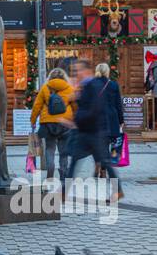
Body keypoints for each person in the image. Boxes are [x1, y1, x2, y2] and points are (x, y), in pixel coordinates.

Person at [62, 59, 122, 202]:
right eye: (74, 71)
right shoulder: (84, 86)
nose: (76, 73)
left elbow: (94, 109)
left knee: (105, 162)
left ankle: (118, 190)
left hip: (96, 132)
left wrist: (74, 120)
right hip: (86, 132)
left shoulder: (93, 86)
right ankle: (64, 192)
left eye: (78, 71)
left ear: (87, 71)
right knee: (75, 160)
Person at [30, 68, 74, 183]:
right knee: (63, 151)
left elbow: (37, 106)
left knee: (50, 149)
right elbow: (76, 106)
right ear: (64, 77)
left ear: (50, 77)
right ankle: (63, 174)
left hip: (48, 123)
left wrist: (33, 120)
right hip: (64, 123)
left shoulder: (45, 87)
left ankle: (50, 173)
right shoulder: (69, 88)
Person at [95, 63, 125, 176]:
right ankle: (103, 169)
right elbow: (118, 104)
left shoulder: (92, 85)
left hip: (97, 118)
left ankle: (98, 165)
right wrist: (121, 120)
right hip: (111, 119)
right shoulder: (113, 85)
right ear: (107, 72)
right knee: (109, 144)